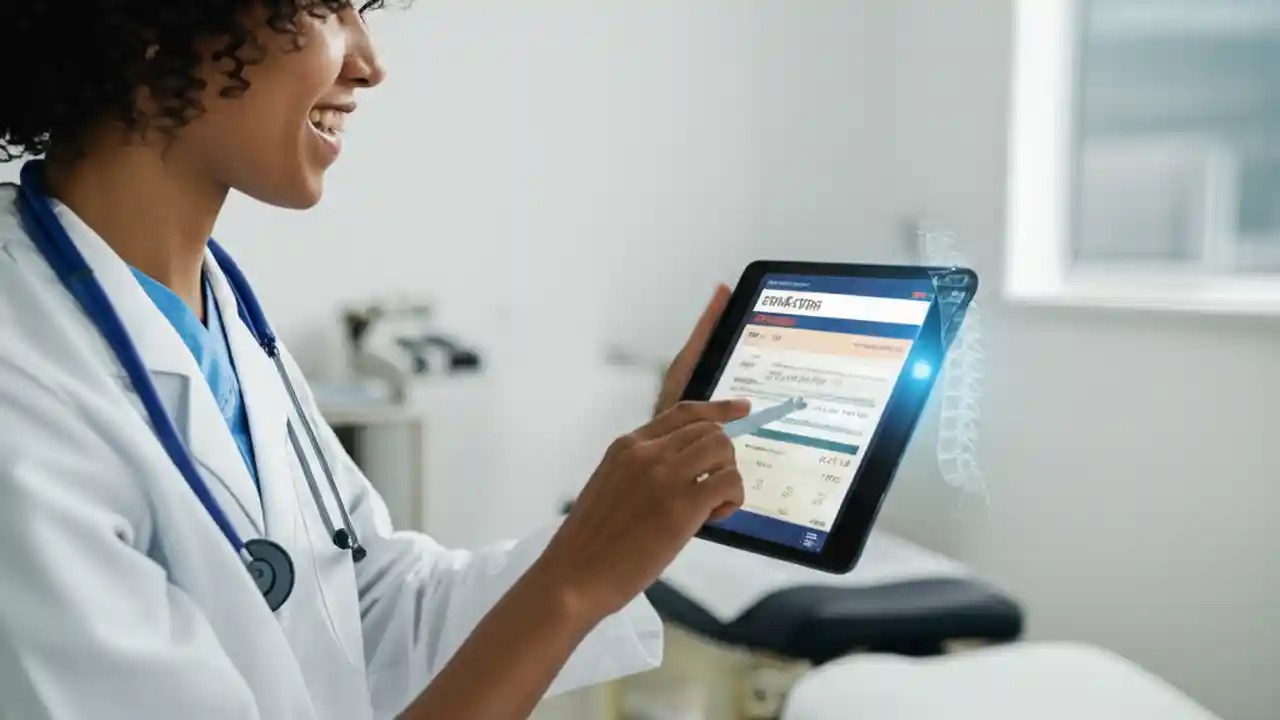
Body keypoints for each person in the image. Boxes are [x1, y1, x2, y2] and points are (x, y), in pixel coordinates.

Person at [0, 2, 750, 718]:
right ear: (155, 25)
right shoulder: (23, 384)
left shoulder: (218, 312)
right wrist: (571, 586)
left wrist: (643, 504)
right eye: (324, 6)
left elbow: (386, 617)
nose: (368, 64)